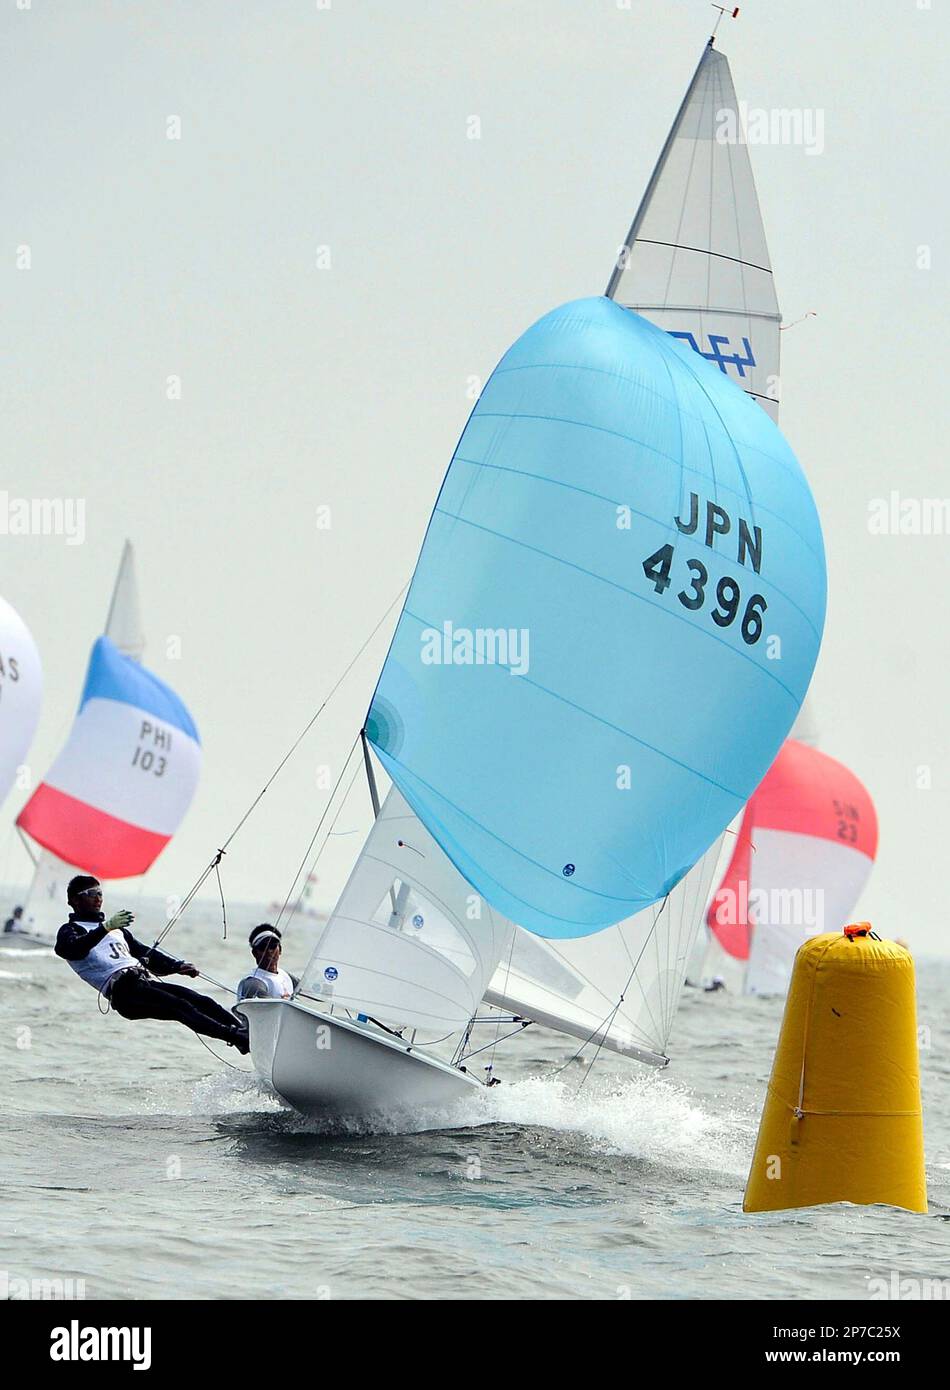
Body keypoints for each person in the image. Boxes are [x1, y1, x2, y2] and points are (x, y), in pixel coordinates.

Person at [54, 875, 249, 1053]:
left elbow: (144, 953)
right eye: (90, 894)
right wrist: (106, 927)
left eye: (99, 893)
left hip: (142, 983)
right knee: (180, 1007)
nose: (97, 898)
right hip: (124, 993)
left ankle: (245, 1034)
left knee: (201, 1000)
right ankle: (237, 1037)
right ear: (74, 901)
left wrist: (177, 966)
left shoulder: (117, 930)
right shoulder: (71, 930)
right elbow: (71, 949)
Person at [236, 924, 297, 1002]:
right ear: (254, 953)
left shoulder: (288, 977)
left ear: (280, 950)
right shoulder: (252, 983)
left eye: (273, 946)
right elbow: (265, 1010)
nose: (269, 951)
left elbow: (310, 991)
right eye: (263, 947)